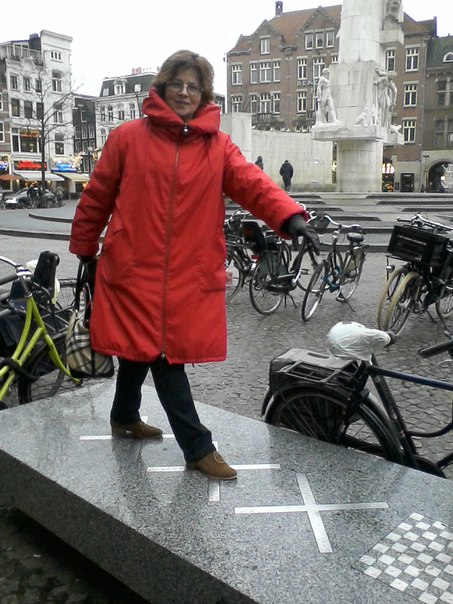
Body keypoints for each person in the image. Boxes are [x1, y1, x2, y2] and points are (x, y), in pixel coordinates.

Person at [69, 49, 320, 482]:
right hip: (132, 269)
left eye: (193, 87)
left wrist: (290, 217)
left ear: (203, 95)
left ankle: (124, 415)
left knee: (145, 347)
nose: (184, 92)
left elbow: (253, 184)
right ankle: (197, 446)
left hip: (187, 274)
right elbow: (97, 196)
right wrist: (85, 249)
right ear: (162, 88)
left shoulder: (217, 147)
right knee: (162, 354)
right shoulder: (127, 138)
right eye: (177, 84)